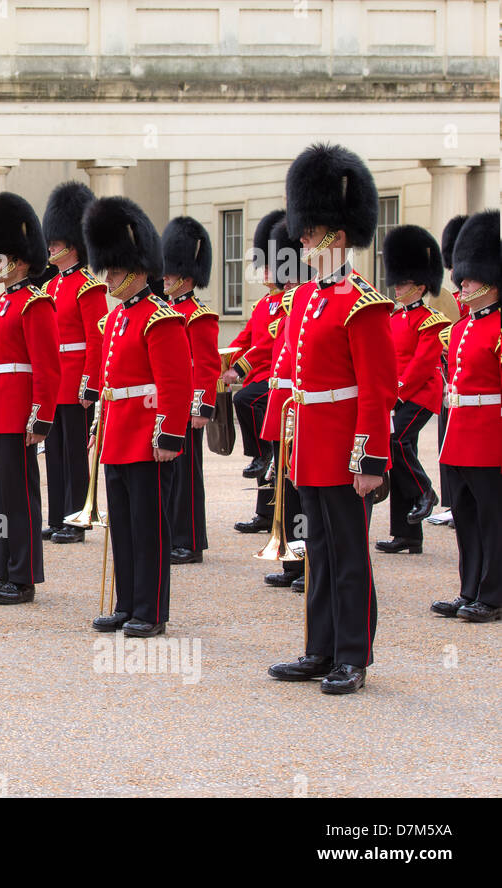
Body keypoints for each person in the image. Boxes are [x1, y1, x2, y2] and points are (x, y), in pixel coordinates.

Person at [267, 144, 397, 695]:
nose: (302, 242)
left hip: (344, 447)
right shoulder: (303, 299)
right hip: (310, 445)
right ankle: (320, 648)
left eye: (312, 233)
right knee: (317, 550)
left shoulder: (363, 303)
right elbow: (294, 379)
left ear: (337, 237)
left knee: (348, 554)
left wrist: (370, 458)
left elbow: (378, 389)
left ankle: (352, 655)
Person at [83, 197, 191, 637]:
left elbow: (175, 384)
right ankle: (126, 602)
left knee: (149, 529)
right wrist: (99, 426)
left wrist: (168, 436)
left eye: (113, 269)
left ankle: (151, 609)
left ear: (136, 268)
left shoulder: (159, 318)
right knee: (123, 528)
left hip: (147, 438)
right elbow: (109, 383)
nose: (107, 277)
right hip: (118, 434)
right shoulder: (117, 319)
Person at [0, 192, 61, 605]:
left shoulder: (35, 303)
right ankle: (0, 568)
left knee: (20, 498)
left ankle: (23, 576)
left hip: (19, 412)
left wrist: (40, 417)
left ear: (20, 260)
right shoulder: (2, 303)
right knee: (0, 501)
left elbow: (47, 366)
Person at [431, 209, 502, 623]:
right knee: (467, 518)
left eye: (470, 278)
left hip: (490, 436)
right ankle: (469, 589)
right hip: (459, 434)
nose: (462, 284)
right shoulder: (460, 328)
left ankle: (493, 595)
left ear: (491, 281)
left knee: (493, 520)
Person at [374, 225, 451, 556]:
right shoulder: (392, 318)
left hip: (419, 394)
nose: (397, 287)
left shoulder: (431, 321)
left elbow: (422, 364)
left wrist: (398, 393)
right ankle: (408, 534)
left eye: (403, 283)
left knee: (396, 442)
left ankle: (425, 492)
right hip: (397, 395)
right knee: (401, 454)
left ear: (420, 287)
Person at [39, 182, 107, 544]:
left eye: (56, 241)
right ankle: (57, 517)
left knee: (75, 454)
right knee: (54, 452)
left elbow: (97, 339)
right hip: (55, 380)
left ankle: (77, 519)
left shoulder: (88, 286)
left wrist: (90, 383)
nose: (50, 246)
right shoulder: (50, 287)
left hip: (76, 379)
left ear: (73, 243)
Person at [227, 209, 290, 535]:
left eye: (269, 265)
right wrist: (223, 361)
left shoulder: (288, 303)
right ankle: (265, 514)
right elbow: (245, 338)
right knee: (270, 452)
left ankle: (258, 453)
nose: (264, 271)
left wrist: (239, 369)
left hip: (273, 380)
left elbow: (266, 346)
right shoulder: (264, 305)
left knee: (245, 401)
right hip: (262, 378)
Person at [258, 217, 312, 592]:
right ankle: (293, 559)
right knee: (287, 491)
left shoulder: (308, 305)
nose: (286, 283)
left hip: (303, 409)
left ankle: (308, 561)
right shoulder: (290, 308)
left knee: (302, 492)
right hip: (285, 408)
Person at [160, 216, 218, 565]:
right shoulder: (167, 312)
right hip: (169, 404)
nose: (164, 277)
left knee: (188, 477)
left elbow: (207, 366)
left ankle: (191, 541)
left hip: (188, 407)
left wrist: (201, 407)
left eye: (171, 272)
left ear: (186, 275)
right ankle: (172, 535)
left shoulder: (198, 315)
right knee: (170, 475)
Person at [427, 214, 470, 528]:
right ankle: (453, 502)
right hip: (449, 379)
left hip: (470, 382)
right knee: (446, 440)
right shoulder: (450, 300)